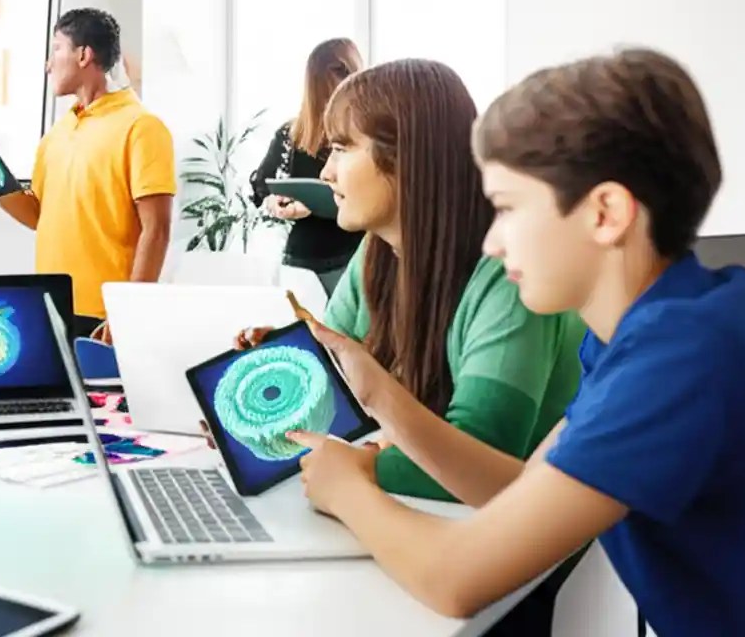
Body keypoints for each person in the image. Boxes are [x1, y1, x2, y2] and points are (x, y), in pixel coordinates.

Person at [287, 48, 745, 635]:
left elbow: (455, 580)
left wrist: (349, 490)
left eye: (508, 209)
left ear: (605, 213)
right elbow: (517, 489)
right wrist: (375, 394)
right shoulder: (642, 338)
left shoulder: (678, 361)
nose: (492, 242)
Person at [238, 59, 584, 502]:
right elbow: (338, 389)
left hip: (505, 529)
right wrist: (259, 431)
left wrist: (359, 467)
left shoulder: (508, 275)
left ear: (406, 159)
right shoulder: (376, 252)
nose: (326, 172)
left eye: (341, 149)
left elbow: (482, 459)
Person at [0, 9, 175, 342]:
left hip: (105, 314)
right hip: (51, 305)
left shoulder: (142, 127)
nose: (48, 64)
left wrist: (128, 313)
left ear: (83, 55)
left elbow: (157, 229)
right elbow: (38, 215)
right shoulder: (57, 133)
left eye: (56, 49)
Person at [248, 38, 365, 294]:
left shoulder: (369, 138)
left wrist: (315, 206)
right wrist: (275, 202)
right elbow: (260, 189)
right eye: (324, 92)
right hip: (301, 263)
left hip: (354, 259)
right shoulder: (289, 135)